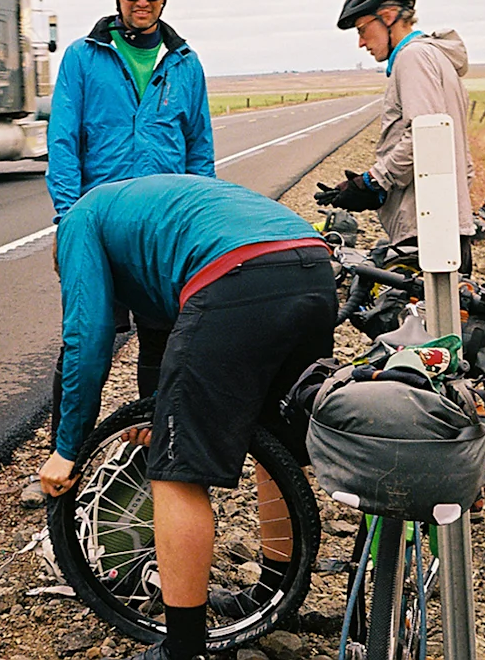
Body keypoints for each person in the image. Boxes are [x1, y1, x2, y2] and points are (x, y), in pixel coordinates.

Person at [39, 174, 337, 660]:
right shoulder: (142, 216)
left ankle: (182, 650)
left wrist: (67, 447)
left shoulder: (78, 223)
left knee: (176, 470)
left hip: (235, 274)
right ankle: (275, 595)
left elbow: (86, 341)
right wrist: (160, 411)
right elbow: (164, 341)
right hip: (309, 265)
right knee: (278, 447)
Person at [27, 0, 215, 508]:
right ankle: (69, 457)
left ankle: (151, 463)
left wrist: (195, 228)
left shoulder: (185, 63)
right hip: (99, 231)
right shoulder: (85, 57)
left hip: (160, 237)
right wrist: (70, 219)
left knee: (163, 343)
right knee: (86, 340)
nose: (141, 2)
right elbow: (63, 144)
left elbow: (199, 153)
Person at [319, 0, 477, 273]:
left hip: (427, 229)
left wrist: (373, 182)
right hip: (443, 225)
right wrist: (372, 188)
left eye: (362, 29)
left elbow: (423, 137)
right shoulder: (434, 58)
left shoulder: (413, 58)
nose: (361, 43)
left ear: (389, 16)